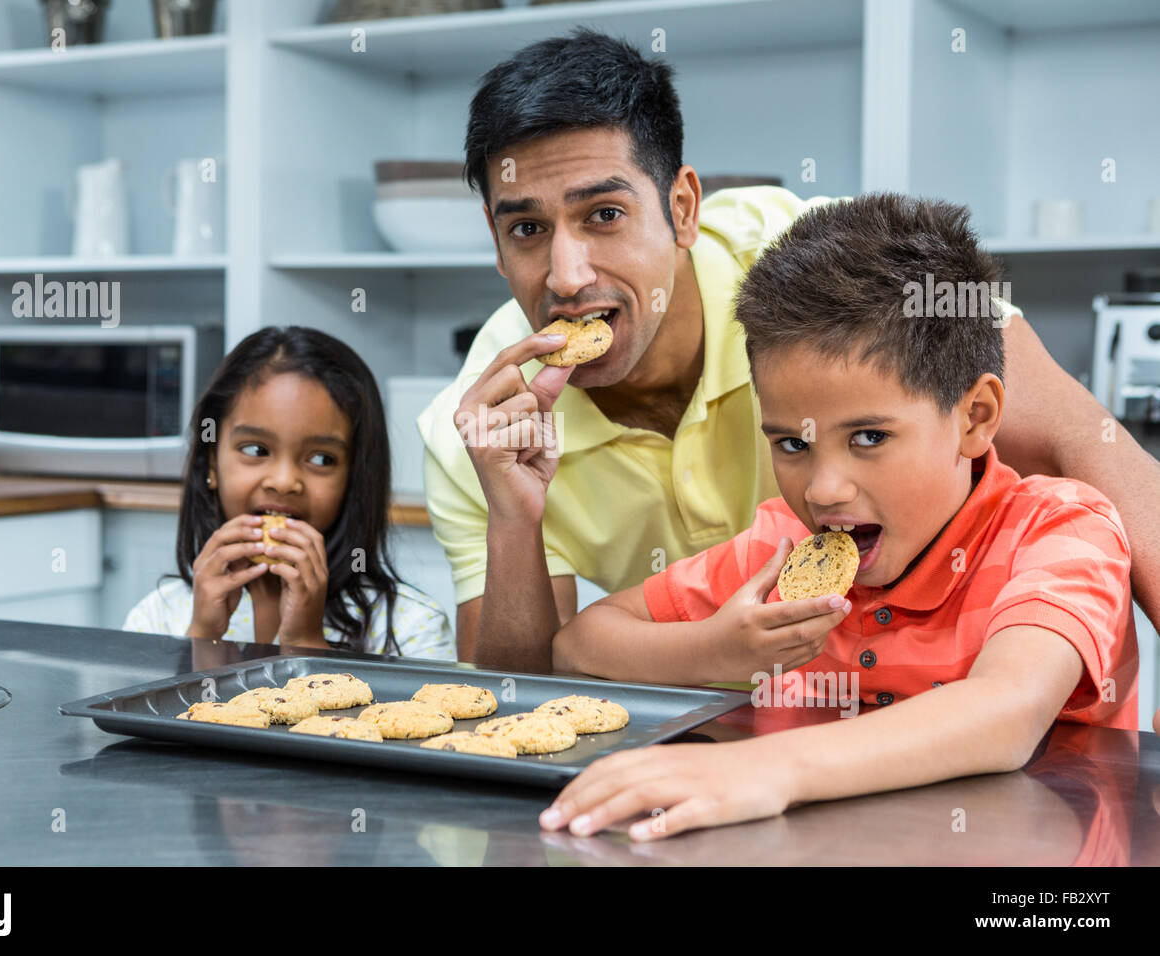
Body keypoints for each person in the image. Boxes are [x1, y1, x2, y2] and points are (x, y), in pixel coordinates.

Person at [415, 29, 1160, 732]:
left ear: (681, 207)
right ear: (495, 238)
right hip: (743, 739)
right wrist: (515, 518)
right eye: (527, 230)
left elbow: (1088, 451)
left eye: (604, 214)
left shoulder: (827, 273)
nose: (568, 277)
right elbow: (524, 698)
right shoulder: (480, 428)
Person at [539, 194, 1139, 841]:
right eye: (792, 445)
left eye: (869, 438)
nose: (823, 491)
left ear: (975, 418)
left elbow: (1007, 708)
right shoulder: (782, 548)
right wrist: (717, 648)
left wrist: (768, 768)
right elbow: (579, 645)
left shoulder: (1061, 531)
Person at [124, 326, 455, 660]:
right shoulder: (158, 618)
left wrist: (305, 641)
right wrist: (204, 638)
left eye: (321, 459)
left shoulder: (412, 629)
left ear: (354, 479)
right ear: (211, 463)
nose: (283, 482)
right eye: (255, 450)